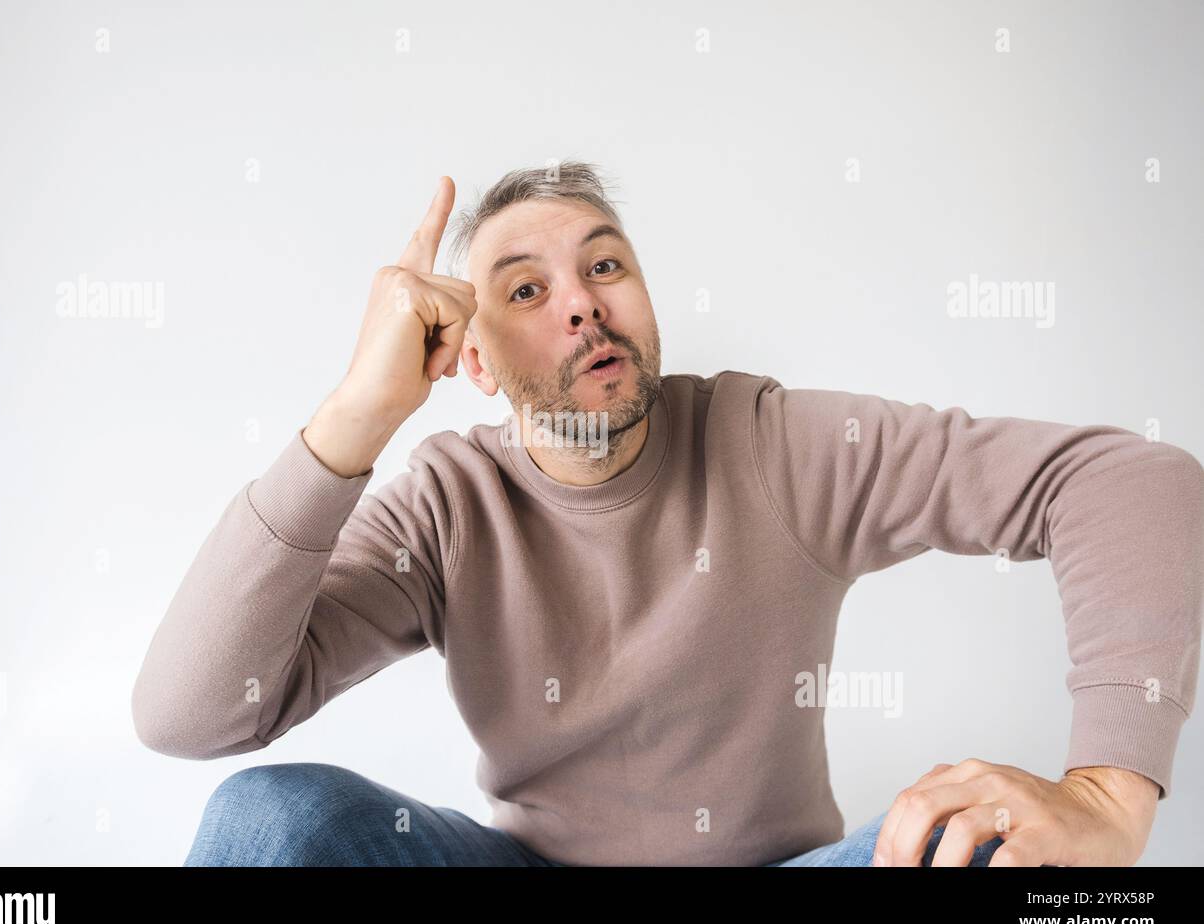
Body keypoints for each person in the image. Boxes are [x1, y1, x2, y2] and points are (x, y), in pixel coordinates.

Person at [133, 161, 1201, 867]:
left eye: (604, 265)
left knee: (984, 847)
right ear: (473, 359)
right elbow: (190, 716)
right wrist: (351, 422)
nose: (583, 301)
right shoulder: (448, 502)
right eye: (522, 290)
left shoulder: (772, 441)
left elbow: (1130, 480)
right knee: (271, 818)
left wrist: (1108, 794)